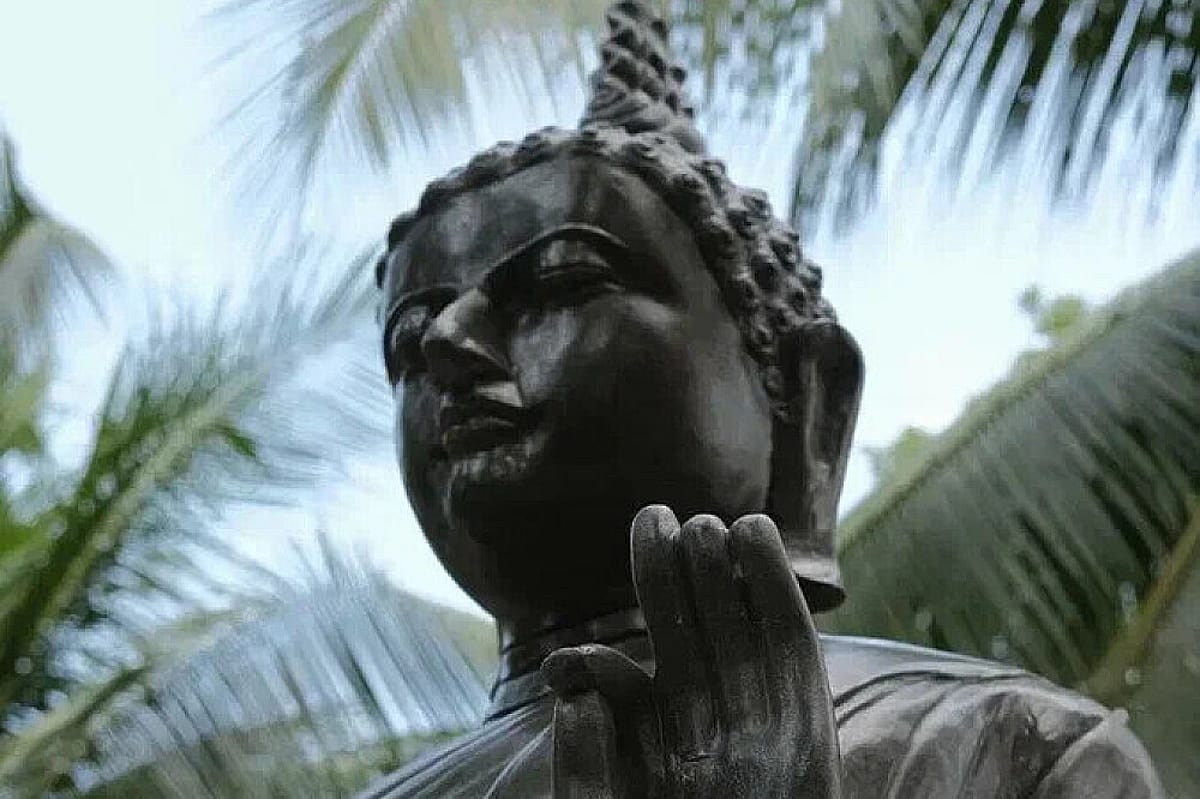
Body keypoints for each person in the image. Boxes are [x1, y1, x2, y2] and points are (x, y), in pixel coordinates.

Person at [363, 2, 1164, 796]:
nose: (446, 342)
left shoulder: (1005, 746)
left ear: (811, 400)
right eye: (408, 336)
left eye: (563, 278)